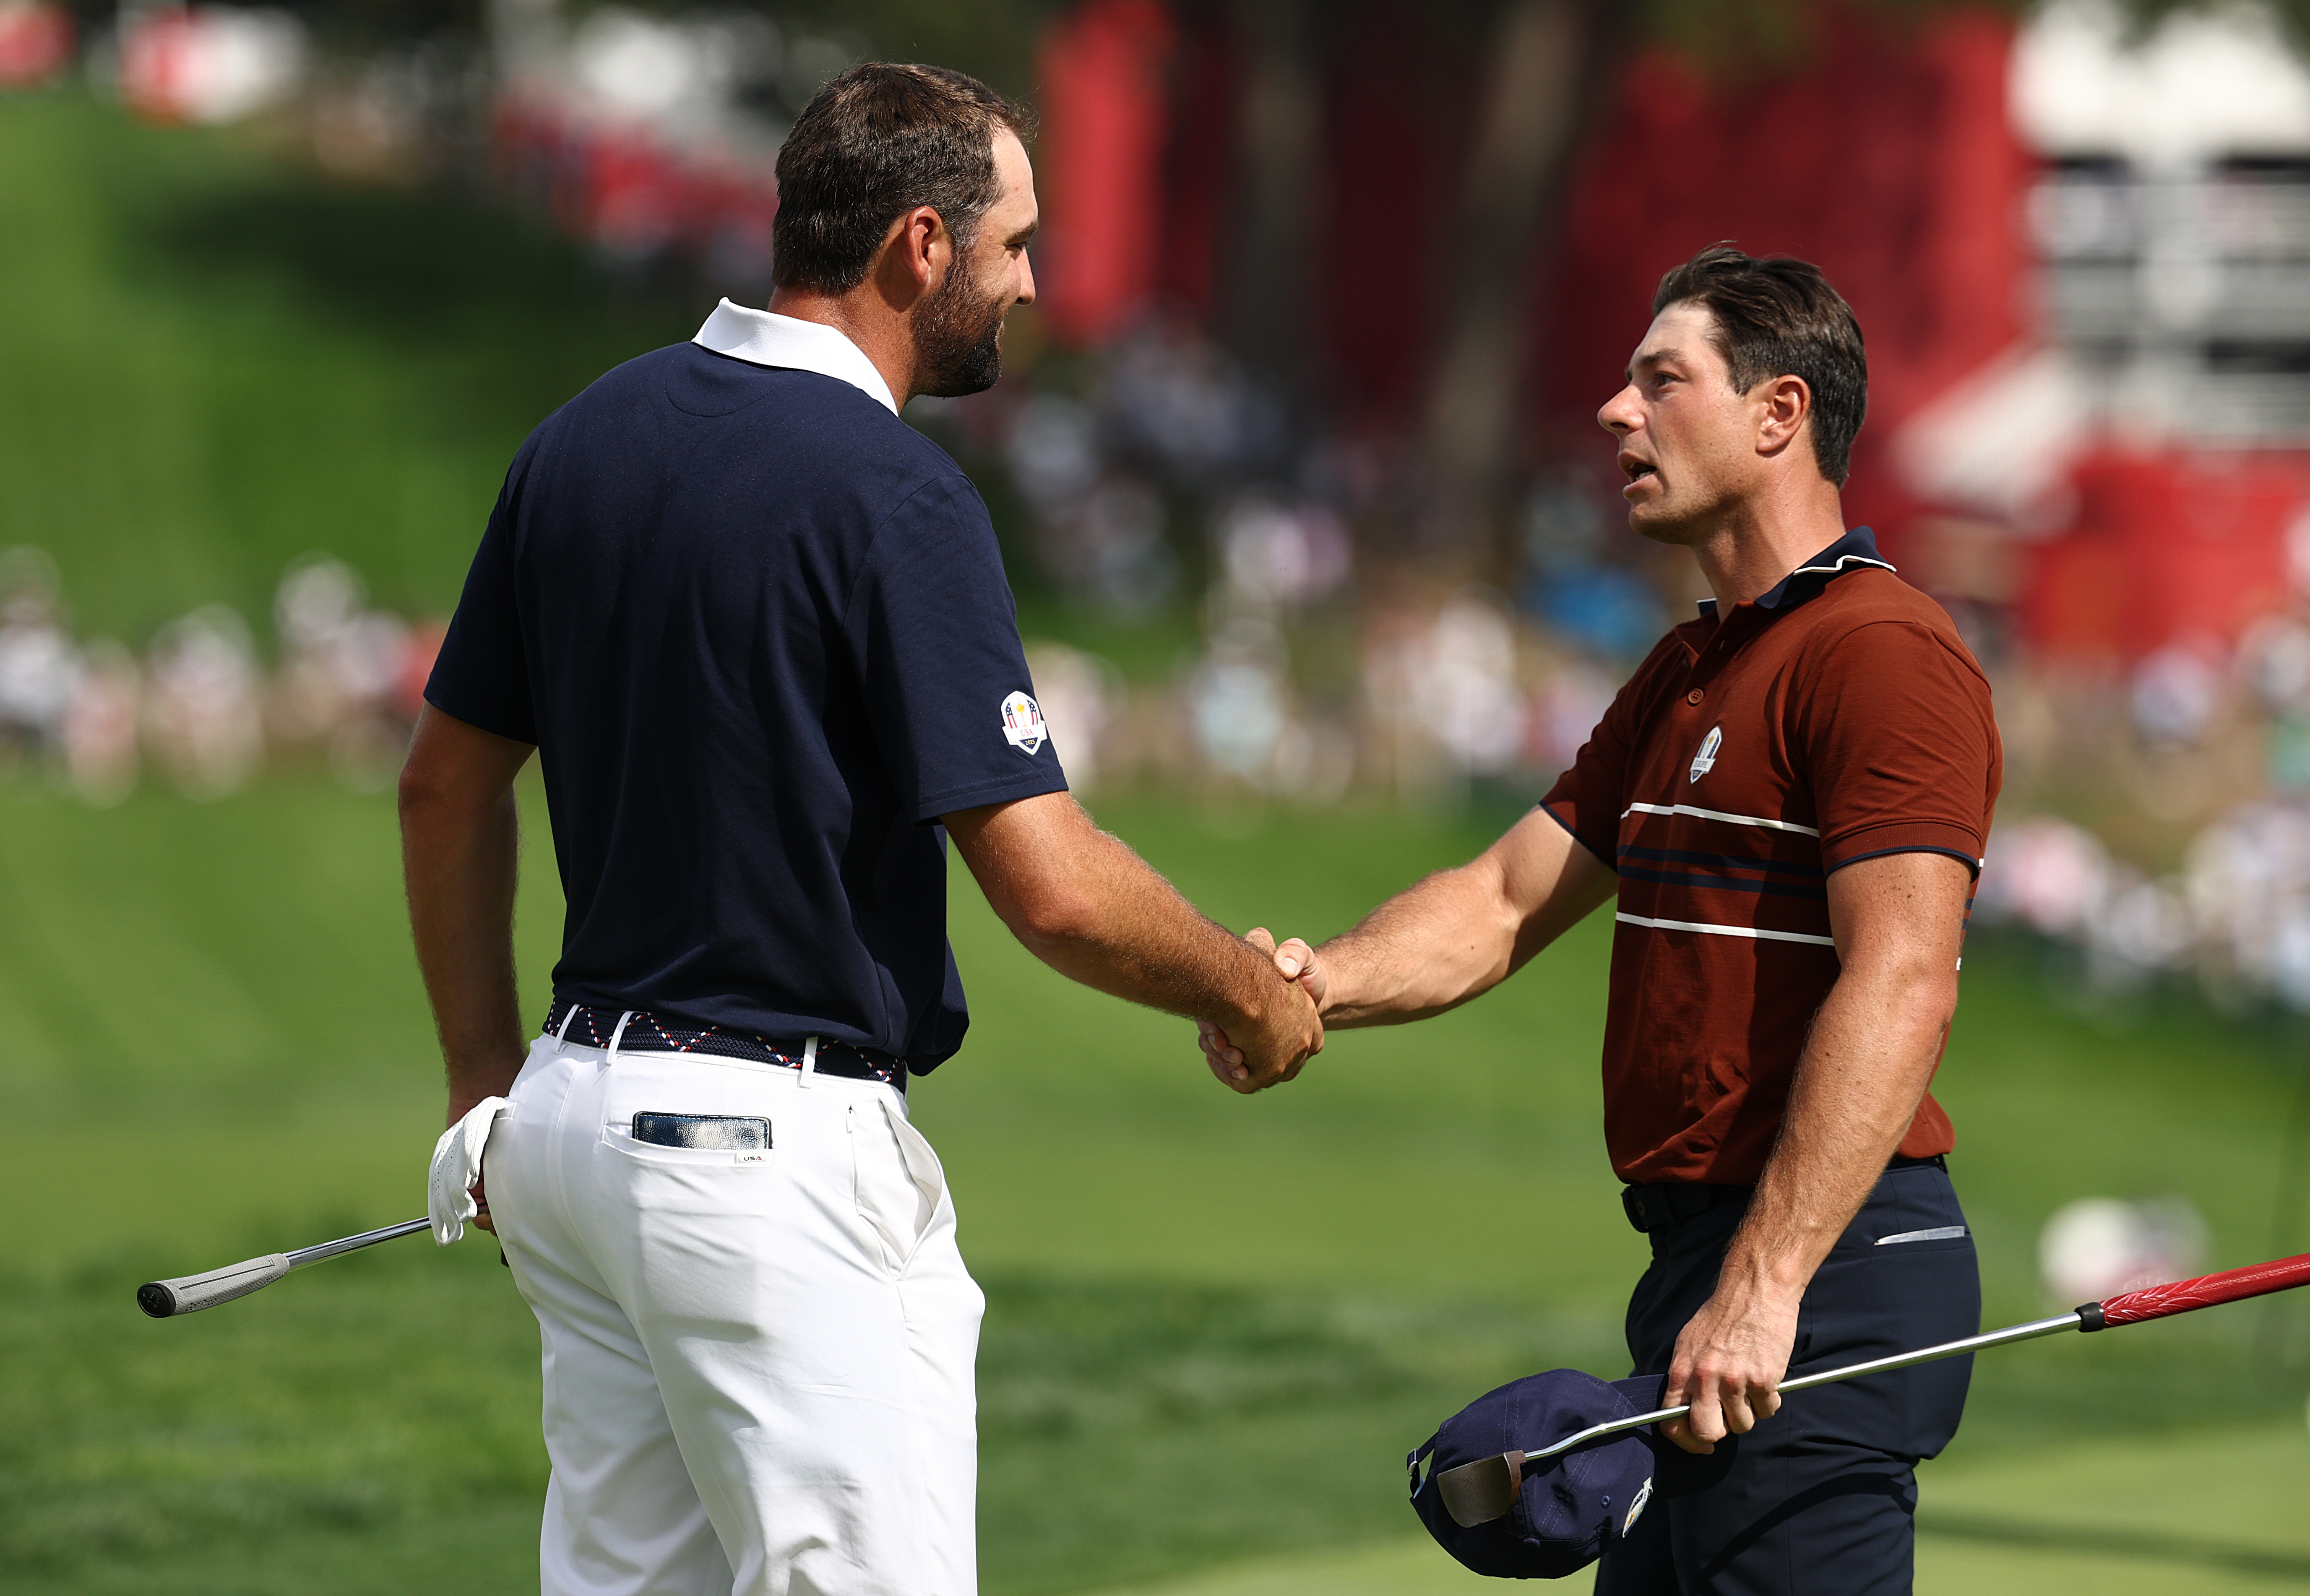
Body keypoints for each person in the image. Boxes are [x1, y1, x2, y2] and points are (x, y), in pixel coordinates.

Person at [399, 62, 1321, 1596]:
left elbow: (443, 780)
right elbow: (1050, 885)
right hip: (763, 1162)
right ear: (920, 245)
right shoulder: (898, 493)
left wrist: (480, 1089)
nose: (1034, 283)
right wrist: (1249, 991)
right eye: (1017, 245)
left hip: (566, 1130)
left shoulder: (582, 437)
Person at [1203, 245, 2000, 1593]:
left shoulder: (1881, 651)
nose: (1612, 414)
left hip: (1827, 1271)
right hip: (1713, 1264)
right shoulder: (1691, 668)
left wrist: (1765, 1284)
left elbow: (1905, 980)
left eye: (1659, 381)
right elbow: (1507, 896)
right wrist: (1311, 983)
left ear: (1777, 414)